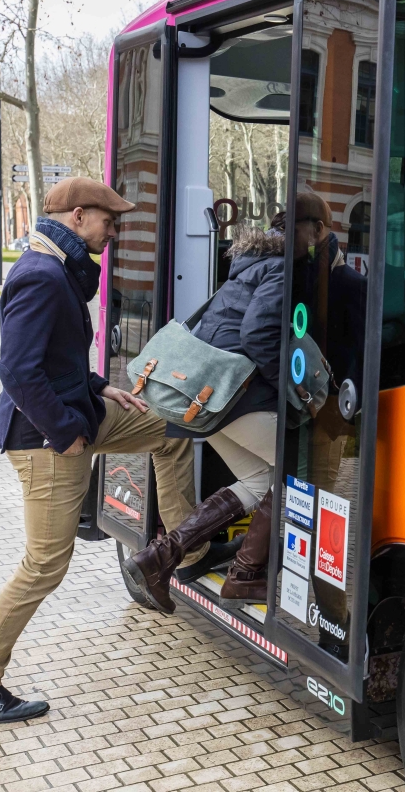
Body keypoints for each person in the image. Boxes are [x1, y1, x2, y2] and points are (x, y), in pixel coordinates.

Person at [0, 178, 204, 724]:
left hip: (77, 415)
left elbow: (54, 357)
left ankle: (182, 550)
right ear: (80, 215)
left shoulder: (57, 268)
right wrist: (66, 431)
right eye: (110, 223)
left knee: (169, 429)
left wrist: (94, 385)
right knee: (44, 565)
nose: (114, 233)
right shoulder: (40, 275)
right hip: (48, 441)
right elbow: (17, 371)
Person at [122, 220, 287, 610]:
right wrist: (285, 387)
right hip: (233, 397)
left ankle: (157, 558)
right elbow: (258, 335)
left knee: (260, 476)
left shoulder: (245, 268)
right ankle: (245, 576)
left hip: (201, 401)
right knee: (293, 470)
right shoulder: (281, 270)